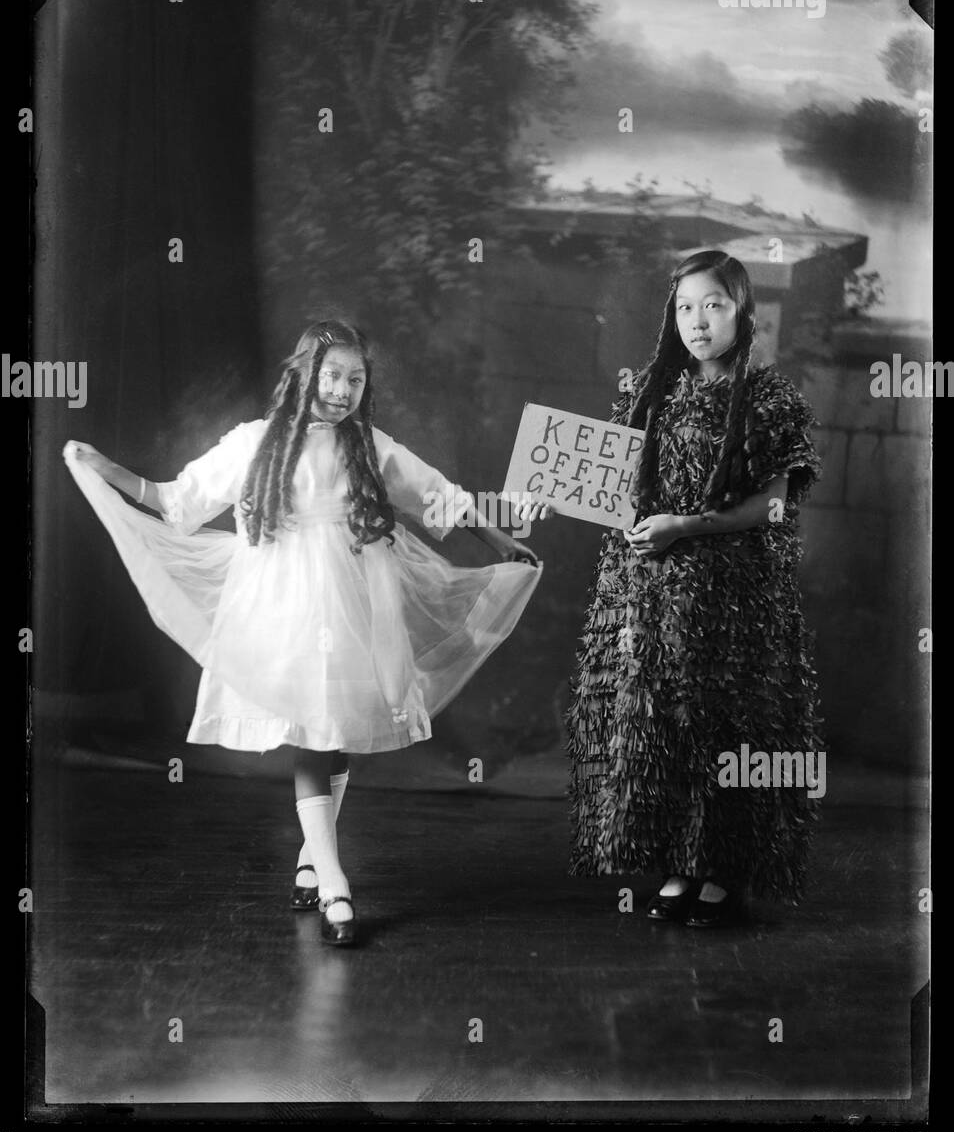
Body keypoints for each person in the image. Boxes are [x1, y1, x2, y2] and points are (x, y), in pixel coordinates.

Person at [64, 319, 541, 946]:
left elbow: (440, 496)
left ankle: (312, 859)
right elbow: (174, 500)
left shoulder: (368, 446)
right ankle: (335, 882)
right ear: (305, 374)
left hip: (354, 602)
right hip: (282, 607)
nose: (342, 390)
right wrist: (103, 467)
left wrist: (501, 538)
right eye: (332, 375)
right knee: (312, 734)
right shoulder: (253, 442)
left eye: (355, 379)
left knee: (332, 730)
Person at [520, 249, 822, 927]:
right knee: (664, 725)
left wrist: (685, 526)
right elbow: (616, 485)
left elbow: (774, 505)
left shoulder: (771, 402)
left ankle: (721, 871)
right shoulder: (651, 394)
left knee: (725, 724)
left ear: (741, 310)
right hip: (651, 593)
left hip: (734, 594)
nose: (697, 321)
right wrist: (555, 487)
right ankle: (680, 866)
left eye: (712, 304)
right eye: (685, 307)